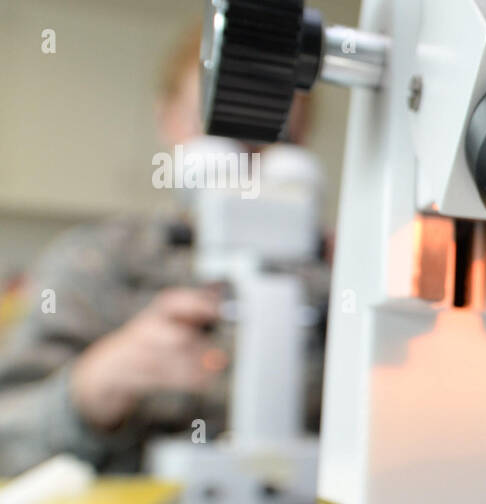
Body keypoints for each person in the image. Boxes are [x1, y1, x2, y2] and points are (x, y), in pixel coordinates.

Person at [0, 24, 329, 477]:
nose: (243, 153)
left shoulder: (337, 272)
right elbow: (6, 437)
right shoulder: (97, 261)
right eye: (215, 123)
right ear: (166, 119)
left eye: (271, 132)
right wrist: (91, 389)